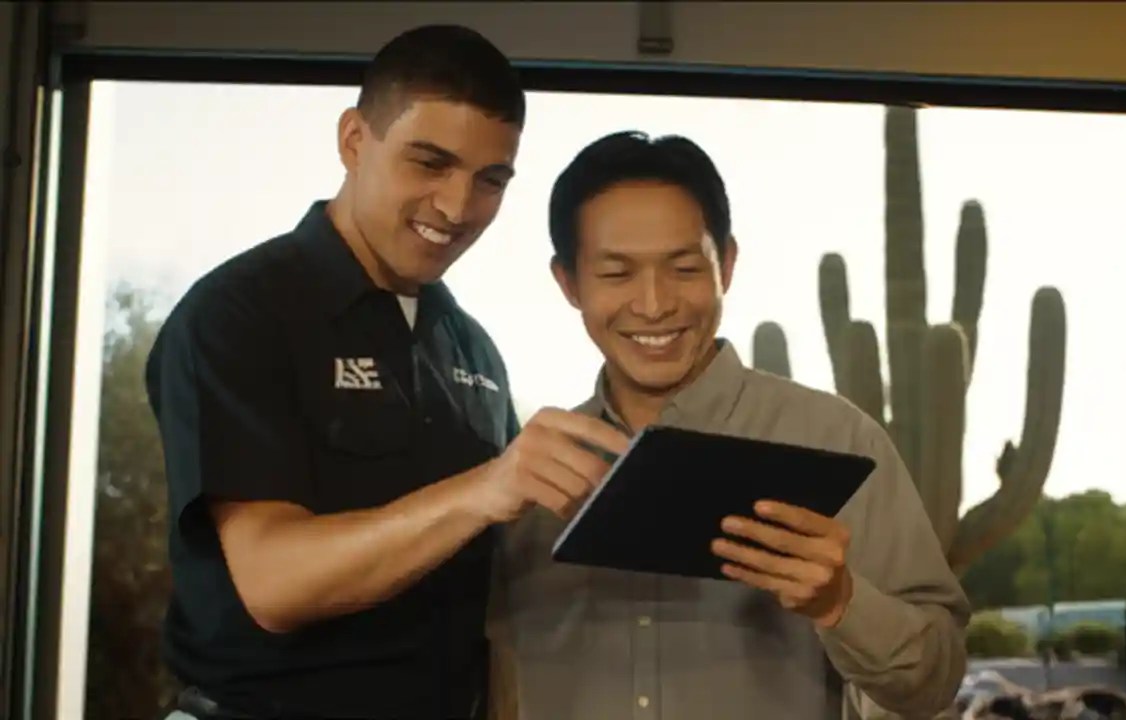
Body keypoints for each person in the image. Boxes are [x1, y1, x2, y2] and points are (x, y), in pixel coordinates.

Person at [146, 25, 628, 720]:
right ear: (353, 140)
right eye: (430, 163)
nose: (457, 207)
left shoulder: (473, 349)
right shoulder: (240, 313)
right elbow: (273, 584)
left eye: (490, 180)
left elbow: (499, 586)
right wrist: (488, 487)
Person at [487, 131, 972, 720]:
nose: (654, 304)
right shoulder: (524, 480)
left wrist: (841, 602)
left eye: (684, 267)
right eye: (616, 274)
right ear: (568, 282)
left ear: (728, 264)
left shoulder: (837, 439)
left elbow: (935, 681)